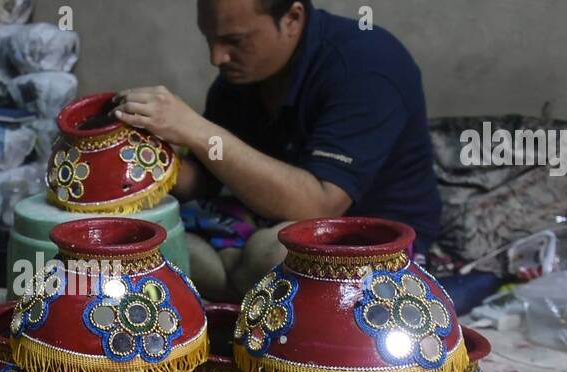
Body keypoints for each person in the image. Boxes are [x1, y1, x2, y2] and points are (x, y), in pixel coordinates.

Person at [114, 0, 442, 299]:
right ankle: (236, 285)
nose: (217, 57)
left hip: (369, 232)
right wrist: (132, 155)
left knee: (274, 254)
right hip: (265, 220)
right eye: (210, 39)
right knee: (154, 241)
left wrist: (194, 128)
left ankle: (237, 285)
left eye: (235, 41)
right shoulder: (240, 79)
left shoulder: (368, 67)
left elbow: (319, 204)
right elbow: (204, 179)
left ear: (292, 19)